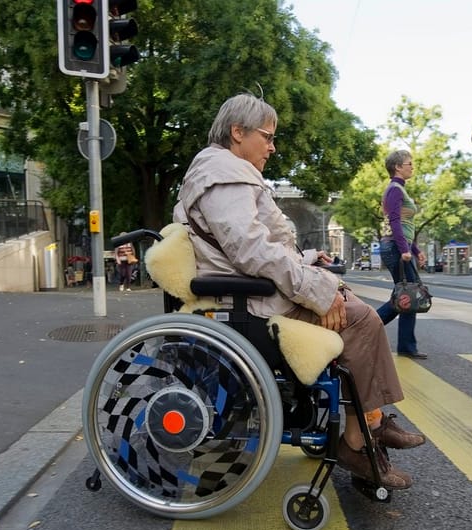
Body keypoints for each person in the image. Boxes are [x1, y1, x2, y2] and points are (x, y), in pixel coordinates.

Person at [172, 93, 424, 490]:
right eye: (267, 136)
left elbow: (252, 247)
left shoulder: (224, 172)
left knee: (351, 304)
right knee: (361, 320)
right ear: (238, 133)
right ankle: (358, 440)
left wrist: (309, 261)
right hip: (247, 304)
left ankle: (371, 422)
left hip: (253, 291)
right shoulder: (225, 175)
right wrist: (316, 291)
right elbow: (250, 250)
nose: (272, 146)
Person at [375, 150, 427, 360]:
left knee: (406, 295)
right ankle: (369, 326)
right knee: (408, 295)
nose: (412, 167)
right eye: (409, 164)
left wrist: (416, 250)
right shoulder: (395, 189)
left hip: (398, 246)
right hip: (395, 248)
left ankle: (404, 344)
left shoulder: (398, 189)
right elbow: (395, 222)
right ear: (397, 167)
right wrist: (405, 251)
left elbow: (405, 226)